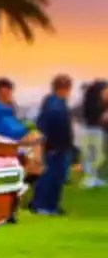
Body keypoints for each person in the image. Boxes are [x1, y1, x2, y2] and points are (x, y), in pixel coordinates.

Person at [30, 74, 75, 215]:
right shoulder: (56, 106)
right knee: (50, 178)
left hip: (55, 146)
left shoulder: (53, 103)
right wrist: (54, 145)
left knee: (55, 178)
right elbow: (54, 127)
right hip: (55, 147)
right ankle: (44, 205)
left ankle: (50, 205)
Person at [78, 79, 105, 188]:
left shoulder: (88, 101)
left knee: (91, 156)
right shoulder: (96, 102)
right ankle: (92, 178)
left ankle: (92, 178)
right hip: (94, 130)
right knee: (95, 155)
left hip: (89, 129)